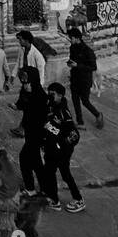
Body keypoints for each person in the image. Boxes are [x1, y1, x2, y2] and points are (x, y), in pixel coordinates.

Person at [41, 81, 85, 212]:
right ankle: (58, 199)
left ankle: (62, 200)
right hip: (52, 148)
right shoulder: (51, 107)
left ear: (60, 95)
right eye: (49, 94)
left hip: (60, 151)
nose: (50, 97)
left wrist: (61, 145)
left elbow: (74, 135)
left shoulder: (63, 113)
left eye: (52, 94)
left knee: (54, 172)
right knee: (57, 173)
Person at [14, 66, 48, 198]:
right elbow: (22, 103)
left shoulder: (40, 95)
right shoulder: (25, 90)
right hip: (29, 130)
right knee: (36, 161)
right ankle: (43, 188)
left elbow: (42, 116)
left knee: (24, 158)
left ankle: (31, 188)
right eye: (23, 81)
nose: (25, 84)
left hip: (37, 132)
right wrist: (16, 106)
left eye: (27, 81)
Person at [66, 28, 104, 129]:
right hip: (74, 78)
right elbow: (72, 59)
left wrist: (77, 65)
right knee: (75, 100)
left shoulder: (88, 51)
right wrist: (70, 64)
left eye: (71, 38)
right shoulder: (72, 47)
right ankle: (80, 122)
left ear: (77, 38)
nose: (70, 40)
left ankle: (98, 114)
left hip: (84, 80)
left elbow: (93, 67)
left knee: (85, 101)